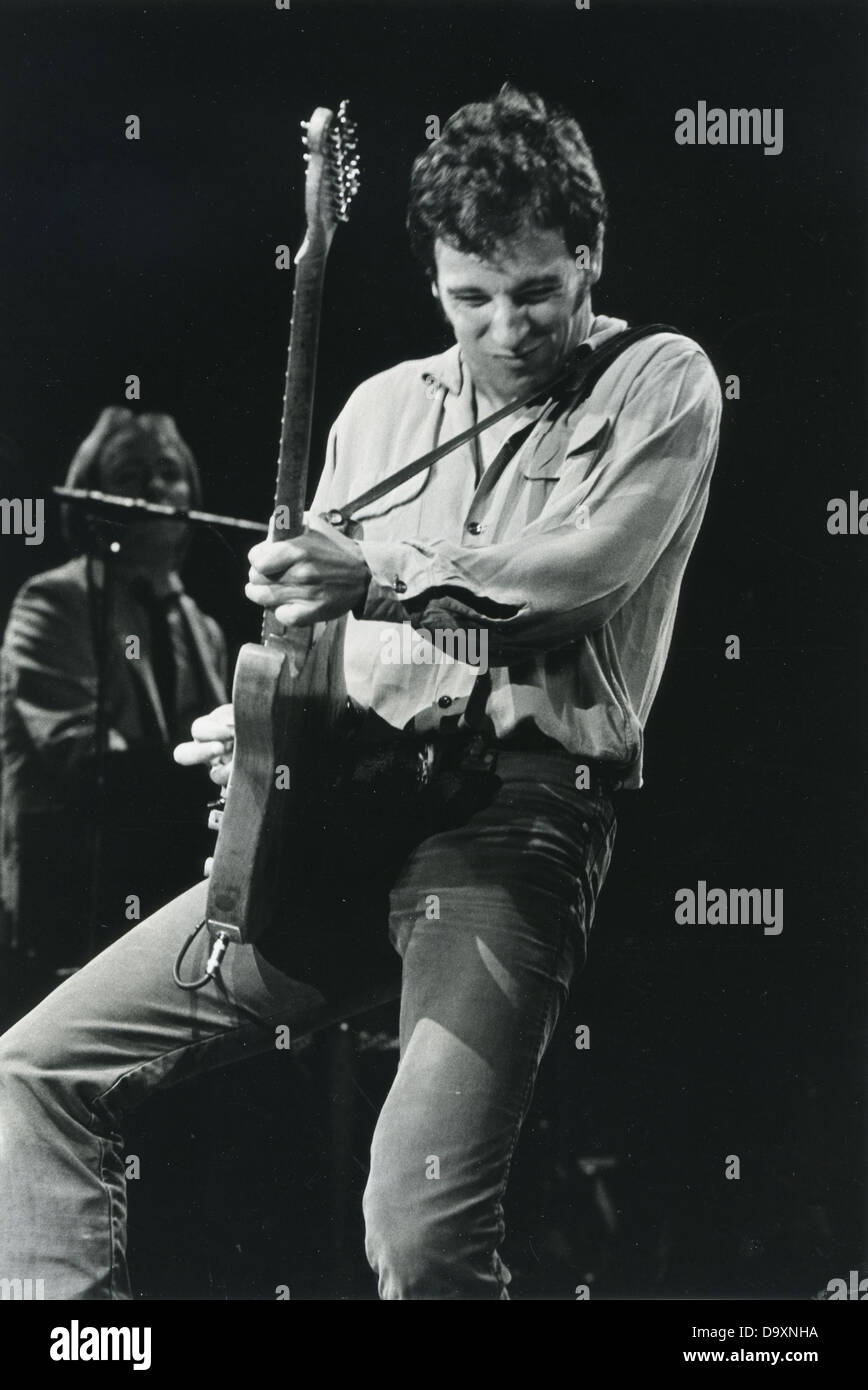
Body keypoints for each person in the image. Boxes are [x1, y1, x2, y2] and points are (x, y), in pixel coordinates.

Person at [0, 85, 721, 1300]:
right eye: (470, 298)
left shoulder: (661, 382)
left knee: (419, 1228)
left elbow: (571, 589)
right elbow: (329, 651)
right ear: (434, 280)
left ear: (588, 256)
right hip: (342, 814)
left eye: (539, 291)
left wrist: (375, 571)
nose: (507, 329)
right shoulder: (380, 411)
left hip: (508, 826)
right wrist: (267, 714)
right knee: (36, 1068)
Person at [0, 408, 227, 993]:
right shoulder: (51, 602)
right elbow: (85, 763)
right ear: (91, 500)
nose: (155, 487)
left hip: (173, 898)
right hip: (76, 905)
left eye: (169, 471)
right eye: (129, 474)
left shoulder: (200, 627)